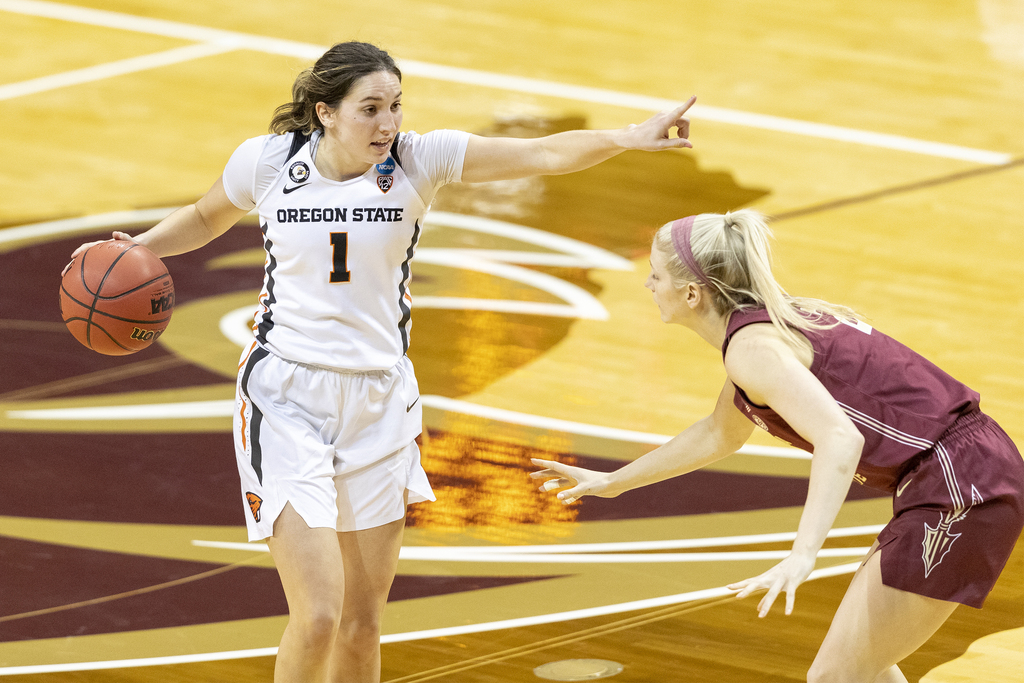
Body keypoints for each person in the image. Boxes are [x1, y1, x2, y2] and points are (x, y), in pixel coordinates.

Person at [65, 41, 695, 683]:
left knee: (362, 629)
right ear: (325, 112)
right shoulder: (268, 163)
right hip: (285, 396)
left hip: (379, 401)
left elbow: (539, 154)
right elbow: (205, 216)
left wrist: (629, 137)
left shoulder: (419, 159)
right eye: (370, 108)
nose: (388, 123)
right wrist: (139, 249)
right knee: (316, 617)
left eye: (395, 106)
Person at [531, 209, 1024, 683]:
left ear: (691, 292)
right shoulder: (756, 334)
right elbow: (719, 433)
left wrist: (802, 554)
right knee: (860, 668)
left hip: (963, 485)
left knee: (837, 674)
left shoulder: (753, 350)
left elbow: (839, 438)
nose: (648, 285)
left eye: (655, 276)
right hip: (961, 472)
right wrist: (614, 482)